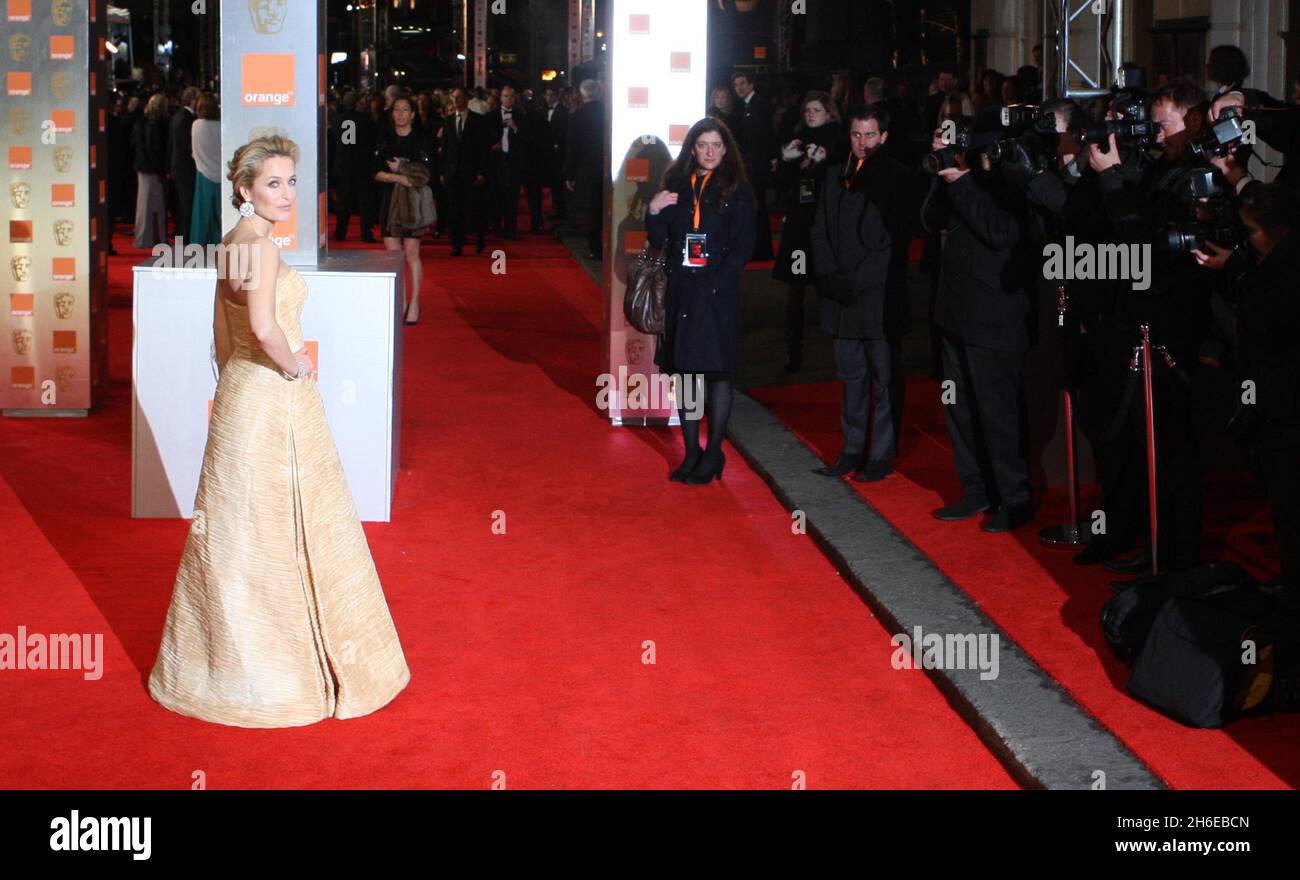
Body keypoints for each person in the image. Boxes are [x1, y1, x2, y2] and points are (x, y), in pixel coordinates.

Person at [148, 134, 410, 727]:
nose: (287, 193)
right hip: (271, 394)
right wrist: (297, 364)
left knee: (239, 529)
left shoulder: (233, 243)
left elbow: (222, 327)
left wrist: (233, 373)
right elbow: (265, 328)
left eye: (291, 181)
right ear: (244, 189)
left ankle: (224, 664)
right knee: (285, 527)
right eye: (273, 183)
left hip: (240, 391)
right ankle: (281, 671)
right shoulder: (261, 251)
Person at [922, 116, 1035, 532]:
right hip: (954, 313)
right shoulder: (956, 181)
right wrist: (942, 168)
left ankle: (1015, 497)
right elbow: (930, 220)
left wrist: (963, 180)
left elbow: (999, 233)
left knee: (997, 413)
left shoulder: (1013, 181)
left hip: (995, 319)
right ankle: (975, 489)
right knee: (959, 407)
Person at [646, 118, 757, 484]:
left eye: (716, 145)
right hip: (683, 290)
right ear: (692, 147)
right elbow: (662, 238)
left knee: (718, 374)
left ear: (726, 150)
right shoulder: (677, 183)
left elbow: (743, 247)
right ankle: (692, 451)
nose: (710, 152)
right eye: (703, 145)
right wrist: (654, 211)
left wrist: (716, 282)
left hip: (717, 293)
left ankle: (713, 454)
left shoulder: (737, 190)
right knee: (689, 375)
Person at [810, 105, 912, 482]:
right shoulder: (834, 175)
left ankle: (881, 454)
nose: (863, 142)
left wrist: (854, 281)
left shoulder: (899, 177)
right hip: (840, 295)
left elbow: (893, 243)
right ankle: (852, 449)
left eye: (870, 135)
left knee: (884, 379)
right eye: (856, 135)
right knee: (851, 378)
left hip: (878, 297)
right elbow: (818, 228)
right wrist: (829, 274)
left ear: (883, 137)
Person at [773, 91, 845, 372]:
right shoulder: (797, 139)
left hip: (826, 224)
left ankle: (839, 346)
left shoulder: (839, 141)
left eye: (816, 109)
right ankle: (793, 350)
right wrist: (787, 161)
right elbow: (783, 184)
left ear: (828, 112)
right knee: (796, 287)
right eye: (807, 110)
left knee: (828, 286)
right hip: (800, 224)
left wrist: (823, 164)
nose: (810, 114)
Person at [373, 95, 435, 324]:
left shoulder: (421, 140)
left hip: (412, 204)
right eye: (397, 110)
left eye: (405, 109)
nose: (400, 114)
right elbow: (375, 171)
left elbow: (426, 174)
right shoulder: (384, 139)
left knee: (411, 254)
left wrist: (402, 168)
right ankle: (399, 302)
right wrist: (399, 177)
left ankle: (415, 301)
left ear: (413, 114)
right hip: (389, 202)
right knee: (393, 257)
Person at [439, 87, 491, 256]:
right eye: (454, 98)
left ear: (467, 99)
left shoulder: (478, 121)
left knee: (475, 207)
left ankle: (479, 239)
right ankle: (457, 244)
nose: (456, 101)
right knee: (454, 209)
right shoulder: (447, 121)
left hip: (472, 171)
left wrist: (482, 171)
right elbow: (445, 148)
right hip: (453, 172)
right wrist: (442, 172)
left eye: (459, 97)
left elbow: (484, 149)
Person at [487, 85, 539, 240]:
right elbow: (483, 138)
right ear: (500, 98)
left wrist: (515, 128)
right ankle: (496, 227)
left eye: (511, 96)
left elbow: (529, 139)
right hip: (496, 161)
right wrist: (492, 146)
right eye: (505, 96)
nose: (508, 99)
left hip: (514, 161)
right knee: (496, 194)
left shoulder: (521, 116)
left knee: (512, 196)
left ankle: (511, 229)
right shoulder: (491, 116)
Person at [732, 71, 774, 261]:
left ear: (751, 85)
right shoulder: (748, 105)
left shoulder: (757, 106)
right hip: (753, 165)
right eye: (736, 85)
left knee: (757, 206)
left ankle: (761, 250)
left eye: (742, 83)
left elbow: (762, 139)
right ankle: (759, 249)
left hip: (756, 167)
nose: (739, 88)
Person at [565, 79, 607, 261]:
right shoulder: (609, 113)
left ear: (582, 95)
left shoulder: (577, 116)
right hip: (609, 168)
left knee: (591, 211)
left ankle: (595, 248)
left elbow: (572, 147)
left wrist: (569, 174)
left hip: (587, 170)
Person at [132, 93, 169, 249]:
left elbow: (135, 144)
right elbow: (156, 148)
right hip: (152, 169)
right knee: (157, 205)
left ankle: (145, 237)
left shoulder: (140, 123)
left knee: (145, 204)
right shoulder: (159, 125)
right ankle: (156, 237)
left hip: (143, 167)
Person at [189, 93, 222, 247]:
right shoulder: (220, 126)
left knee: (202, 213)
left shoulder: (196, 125)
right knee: (220, 213)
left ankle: (198, 243)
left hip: (202, 172)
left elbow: (195, 150)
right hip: (221, 173)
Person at [169, 87, 200, 241]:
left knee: (184, 205)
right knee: (186, 206)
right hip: (185, 169)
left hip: (181, 169)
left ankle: (185, 238)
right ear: (192, 100)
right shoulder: (185, 119)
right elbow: (188, 146)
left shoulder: (181, 116)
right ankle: (185, 239)